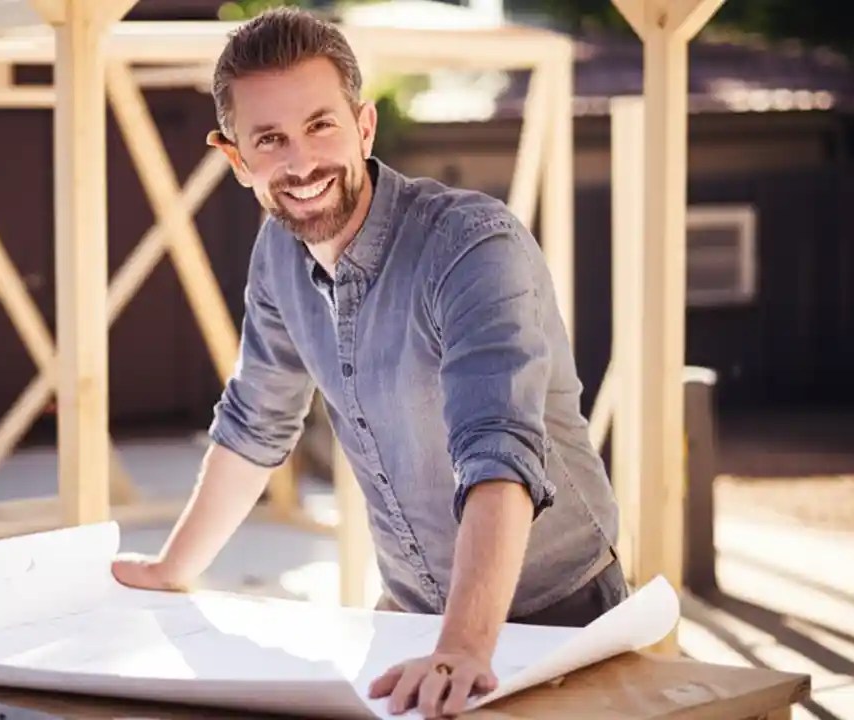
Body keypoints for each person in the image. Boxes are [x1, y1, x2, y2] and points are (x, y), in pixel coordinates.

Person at [111, 7, 625, 717]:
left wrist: (466, 645)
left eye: (321, 125)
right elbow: (255, 424)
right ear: (237, 159)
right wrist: (170, 571)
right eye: (270, 139)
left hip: (562, 614)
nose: (300, 162)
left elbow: (498, 450)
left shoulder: (472, 248)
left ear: (364, 126)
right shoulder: (277, 257)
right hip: (409, 616)